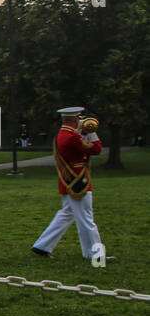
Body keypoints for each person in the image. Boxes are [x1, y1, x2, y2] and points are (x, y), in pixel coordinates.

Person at [32, 107, 107, 262]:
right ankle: (95, 254)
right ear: (75, 119)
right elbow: (96, 149)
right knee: (86, 219)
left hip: (68, 181)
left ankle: (42, 246)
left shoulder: (63, 134)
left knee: (67, 214)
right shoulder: (72, 137)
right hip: (77, 182)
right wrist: (91, 130)